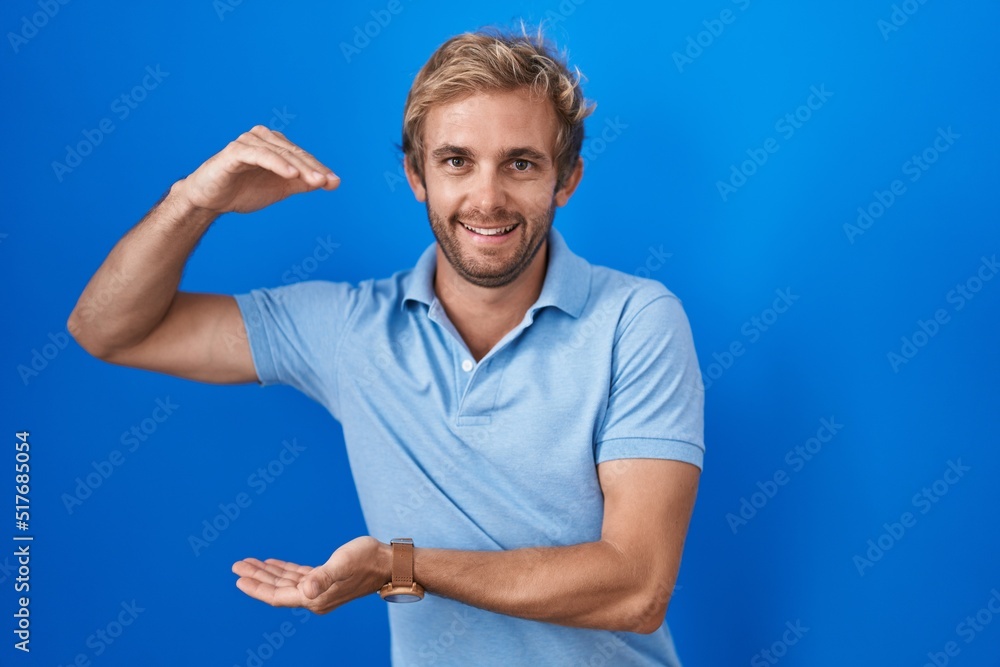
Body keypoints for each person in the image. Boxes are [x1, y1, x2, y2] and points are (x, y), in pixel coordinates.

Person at [68, 25, 705, 667]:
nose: (487, 198)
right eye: (457, 160)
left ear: (565, 180)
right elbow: (108, 329)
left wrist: (397, 566)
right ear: (416, 175)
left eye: (521, 163)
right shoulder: (347, 329)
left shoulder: (636, 321)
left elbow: (637, 587)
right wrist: (193, 202)